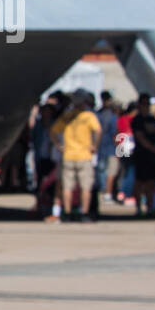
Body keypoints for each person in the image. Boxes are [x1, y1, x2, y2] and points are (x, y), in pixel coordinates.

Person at [49, 88, 100, 222]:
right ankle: (84, 213)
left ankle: (66, 213)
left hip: (68, 155)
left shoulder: (67, 116)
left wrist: (59, 146)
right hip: (84, 155)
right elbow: (98, 130)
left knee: (67, 187)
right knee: (86, 187)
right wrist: (95, 146)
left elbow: (53, 131)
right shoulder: (88, 116)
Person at [130, 95, 155, 216]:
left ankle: (149, 206)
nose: (146, 106)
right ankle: (138, 208)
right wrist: (152, 148)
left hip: (152, 156)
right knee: (139, 182)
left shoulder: (152, 119)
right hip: (141, 155)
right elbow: (140, 137)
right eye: (143, 104)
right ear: (139, 105)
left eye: (147, 104)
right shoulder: (137, 120)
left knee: (151, 182)